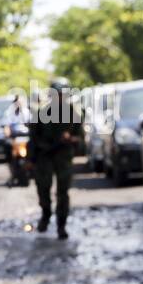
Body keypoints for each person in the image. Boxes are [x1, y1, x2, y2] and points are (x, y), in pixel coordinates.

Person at [28, 78, 84, 239]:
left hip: (63, 157)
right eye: (57, 95)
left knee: (63, 192)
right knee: (43, 188)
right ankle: (45, 214)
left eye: (63, 95)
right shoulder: (41, 115)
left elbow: (80, 141)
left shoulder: (73, 115)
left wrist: (70, 139)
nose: (60, 98)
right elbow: (33, 139)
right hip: (44, 157)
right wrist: (30, 160)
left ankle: (61, 225)